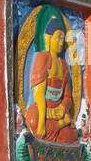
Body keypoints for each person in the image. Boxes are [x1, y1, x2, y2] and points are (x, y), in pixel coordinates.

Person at [25, 8, 78, 144]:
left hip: (58, 112)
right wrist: (43, 121)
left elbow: (67, 97)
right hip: (43, 110)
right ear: (48, 38)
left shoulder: (63, 64)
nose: (61, 42)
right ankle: (58, 125)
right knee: (33, 122)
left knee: (71, 134)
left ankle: (60, 126)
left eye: (62, 39)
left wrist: (61, 108)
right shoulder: (43, 58)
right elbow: (39, 95)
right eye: (58, 38)